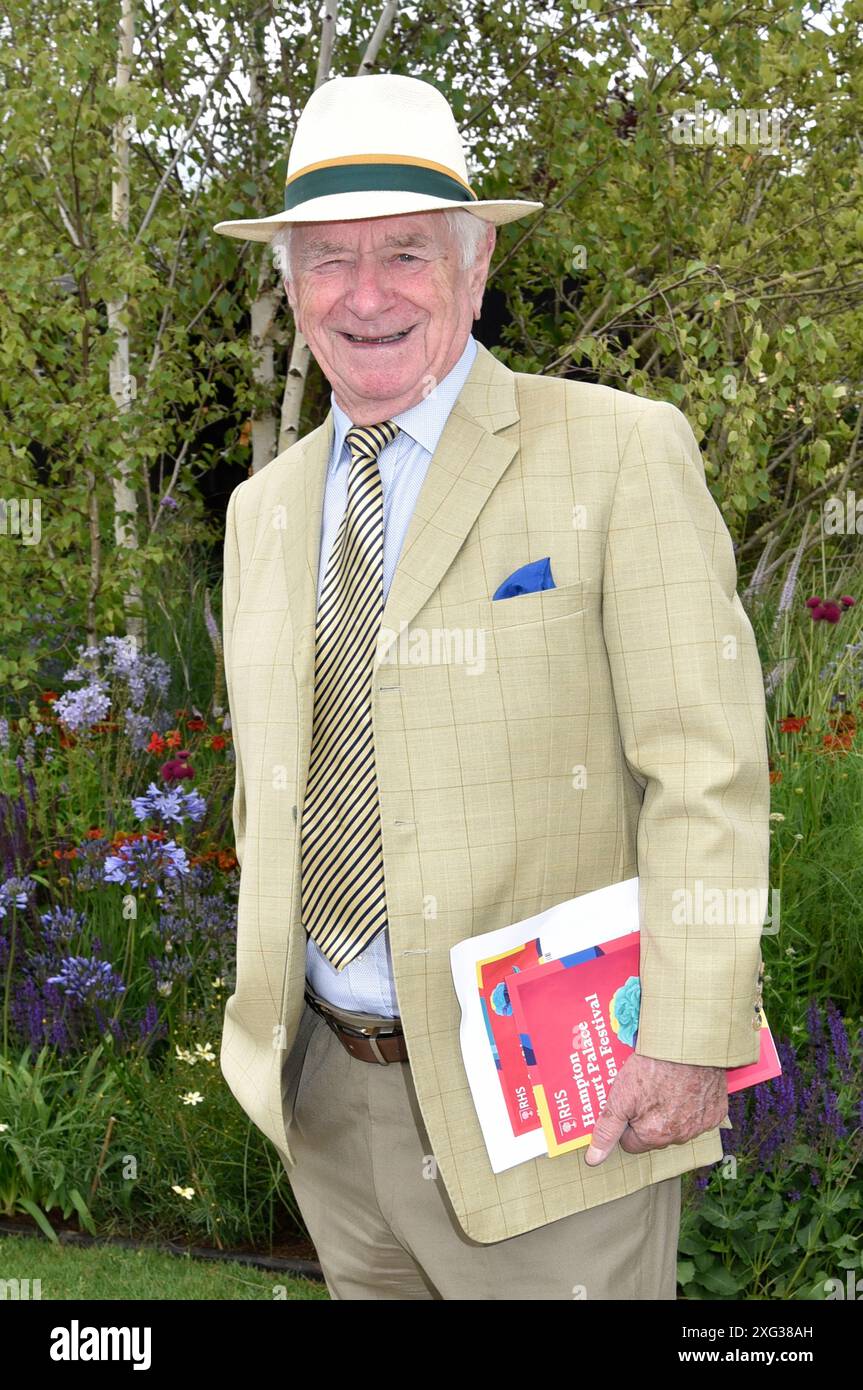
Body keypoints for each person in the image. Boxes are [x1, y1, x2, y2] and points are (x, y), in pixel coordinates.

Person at [213, 72, 769, 1300]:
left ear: (472, 271)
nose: (366, 296)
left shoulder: (620, 452)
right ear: (291, 285)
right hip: (328, 1106)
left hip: (557, 1116)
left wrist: (683, 1036)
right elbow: (273, 793)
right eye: (328, 261)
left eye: (405, 253)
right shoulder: (261, 512)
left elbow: (707, 772)